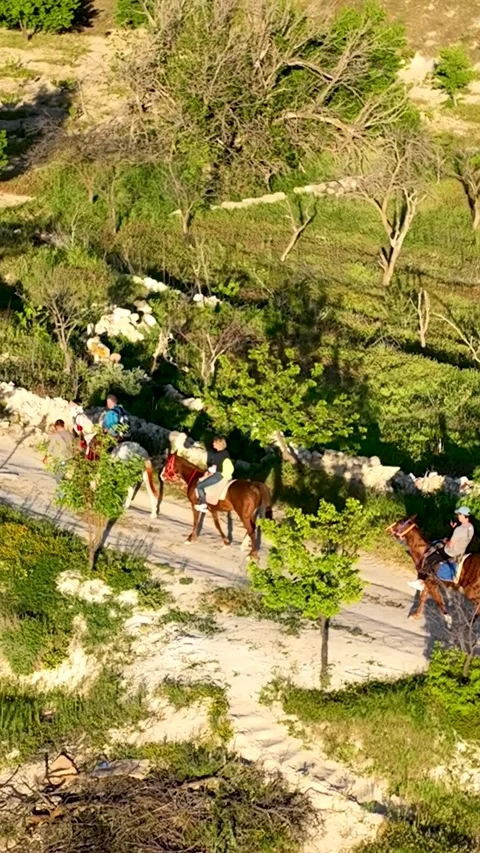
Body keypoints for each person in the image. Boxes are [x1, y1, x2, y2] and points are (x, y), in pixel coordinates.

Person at [408, 506, 474, 592]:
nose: (458, 516)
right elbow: (462, 537)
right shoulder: (470, 527)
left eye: (459, 514)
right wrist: (454, 529)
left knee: (428, 560)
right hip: (461, 551)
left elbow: (450, 544)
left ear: (463, 515)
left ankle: (422, 582)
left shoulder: (459, 529)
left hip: (450, 552)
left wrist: (445, 540)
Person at [195, 437, 234, 513]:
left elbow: (214, 469)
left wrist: (208, 470)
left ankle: (203, 503)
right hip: (225, 475)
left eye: (214, 442)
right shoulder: (226, 453)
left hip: (218, 475)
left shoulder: (217, 455)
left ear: (219, 443)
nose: (213, 444)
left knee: (199, 486)